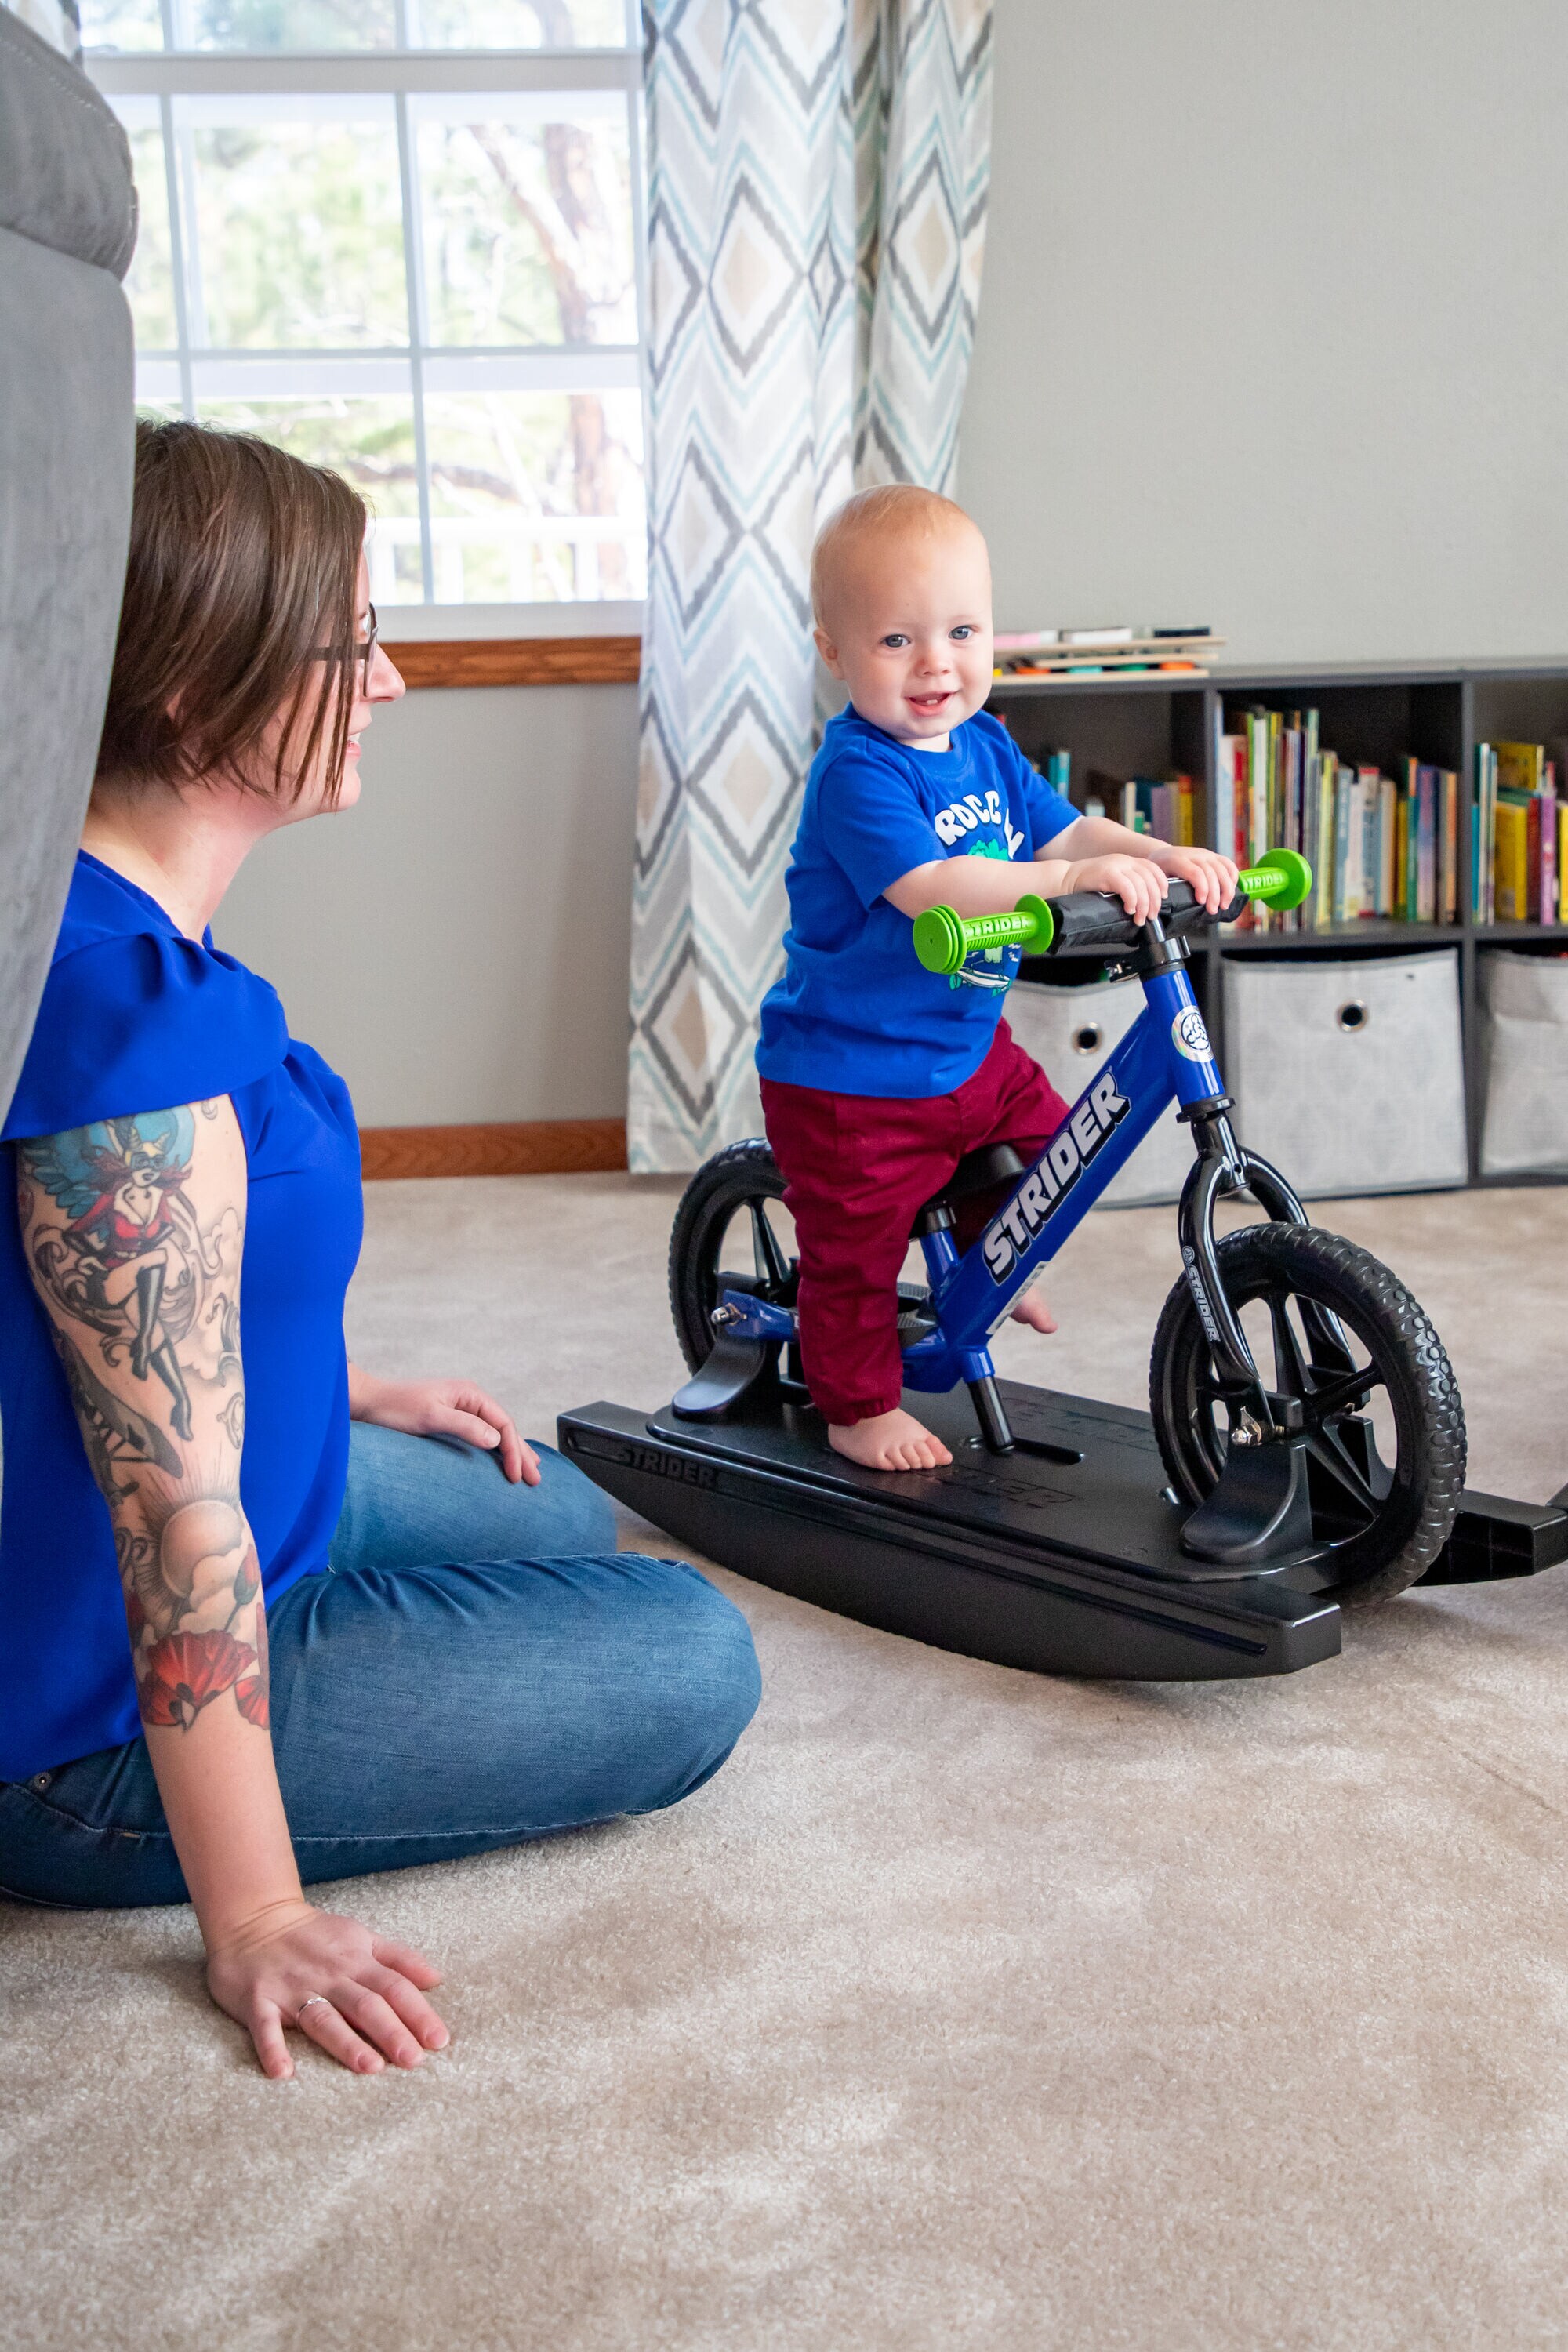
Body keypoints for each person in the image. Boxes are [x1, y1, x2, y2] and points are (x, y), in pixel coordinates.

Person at [0, 420, 760, 2080]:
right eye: (354, 647)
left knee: (555, 1499)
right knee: (692, 1658)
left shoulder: (113, 921)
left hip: (241, 1476)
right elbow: (172, 1520)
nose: (395, 683)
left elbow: (93, 1316)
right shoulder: (120, 1034)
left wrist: (338, 1382)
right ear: (199, 695)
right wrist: (256, 1912)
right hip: (82, 1726)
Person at [756, 485, 1238, 1474]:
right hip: (853, 1079)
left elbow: (1067, 831)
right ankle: (854, 1406)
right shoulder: (858, 774)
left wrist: (1158, 852)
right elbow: (938, 885)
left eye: (961, 630)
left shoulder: (983, 743)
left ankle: (988, 1258)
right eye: (896, 641)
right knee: (851, 1257)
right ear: (833, 652)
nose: (936, 662)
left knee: (1050, 1137)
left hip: (967, 1047)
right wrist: (1069, 880)